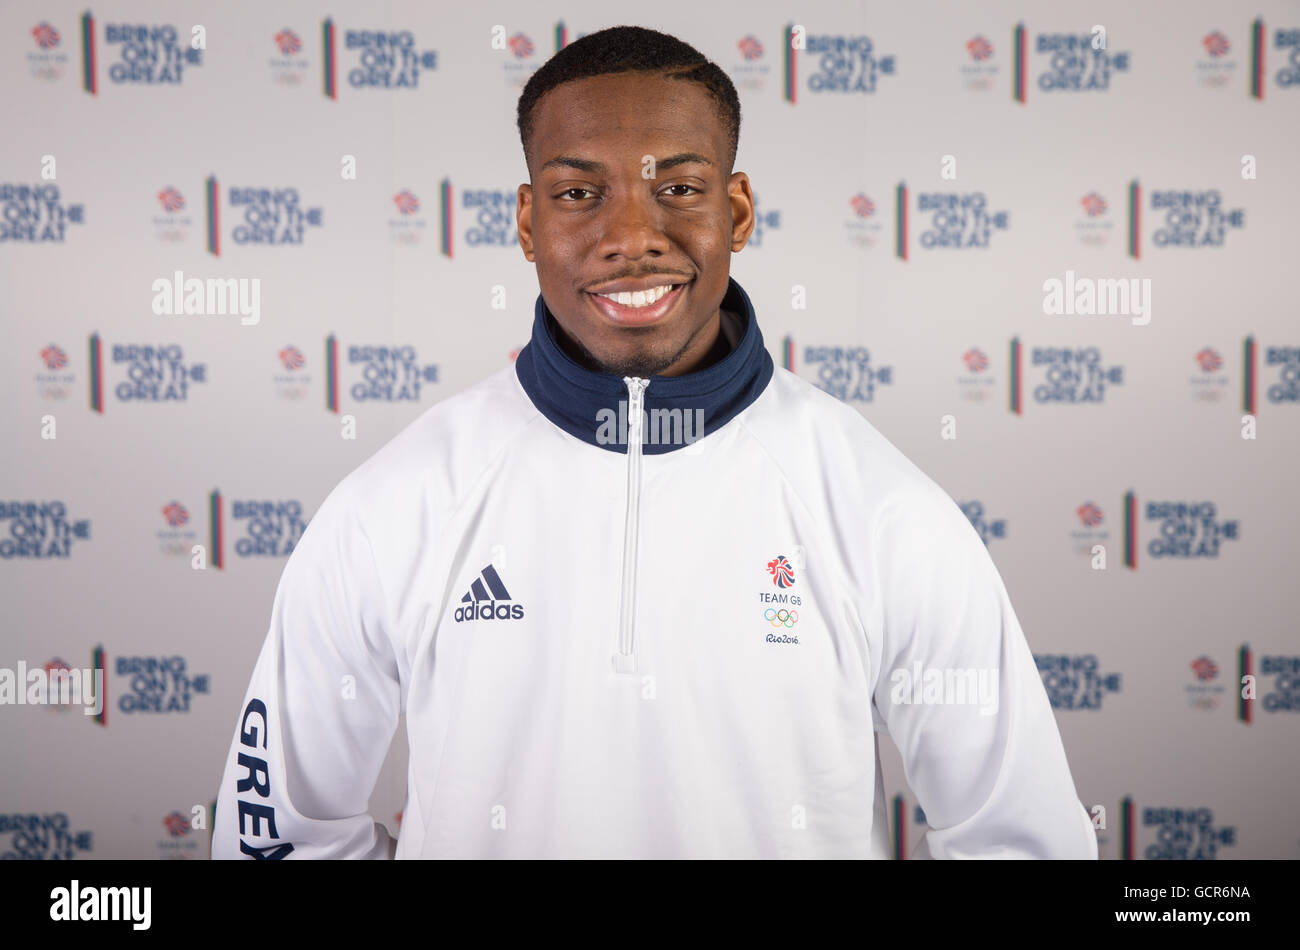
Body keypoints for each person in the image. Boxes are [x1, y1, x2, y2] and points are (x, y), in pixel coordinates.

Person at [213, 25, 1098, 859]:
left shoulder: (881, 509)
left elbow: (1020, 841)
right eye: (578, 194)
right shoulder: (394, 506)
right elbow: (276, 836)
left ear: (738, 210)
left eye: (678, 188)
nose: (633, 238)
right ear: (528, 224)